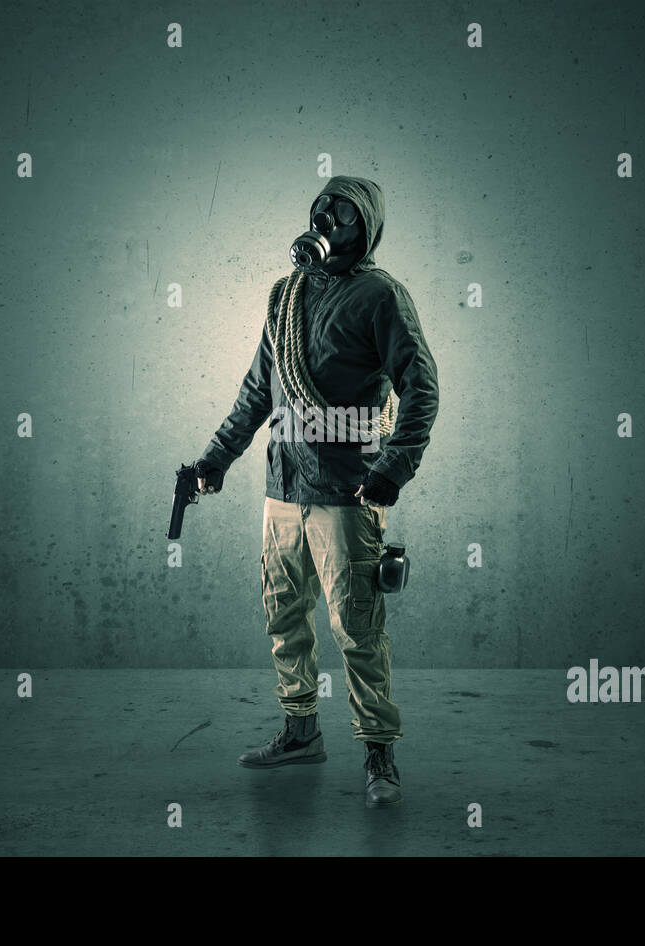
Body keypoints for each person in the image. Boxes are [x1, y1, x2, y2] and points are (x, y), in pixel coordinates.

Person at [192, 175, 439, 808]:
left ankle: (379, 752)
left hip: (347, 491)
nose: (327, 223)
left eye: (343, 216)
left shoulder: (381, 295)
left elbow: (422, 387)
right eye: (321, 211)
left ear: (367, 230)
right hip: (282, 486)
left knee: (356, 625)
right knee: (283, 613)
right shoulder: (284, 295)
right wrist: (214, 461)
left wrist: (392, 469)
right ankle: (301, 730)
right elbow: (256, 393)